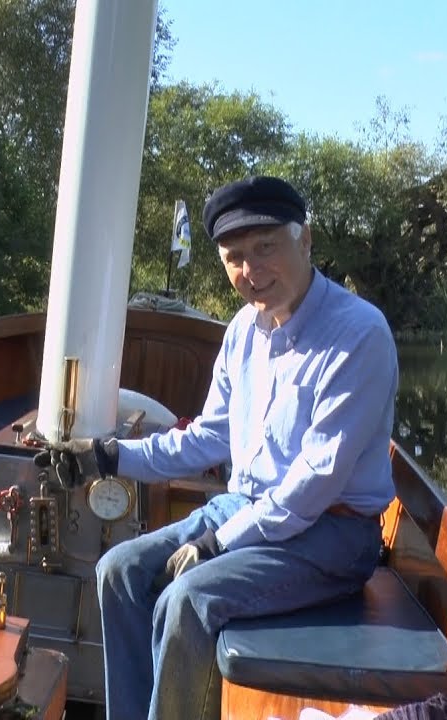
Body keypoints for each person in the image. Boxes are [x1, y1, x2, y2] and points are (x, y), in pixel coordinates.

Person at [36, 175, 399, 720]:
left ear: (306, 241)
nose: (250, 273)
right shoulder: (242, 332)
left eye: (265, 249)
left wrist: (216, 542)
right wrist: (110, 456)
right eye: (234, 258)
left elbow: (315, 481)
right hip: (246, 508)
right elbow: (209, 436)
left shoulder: (359, 334)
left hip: (333, 532)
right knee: (118, 570)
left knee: (189, 600)